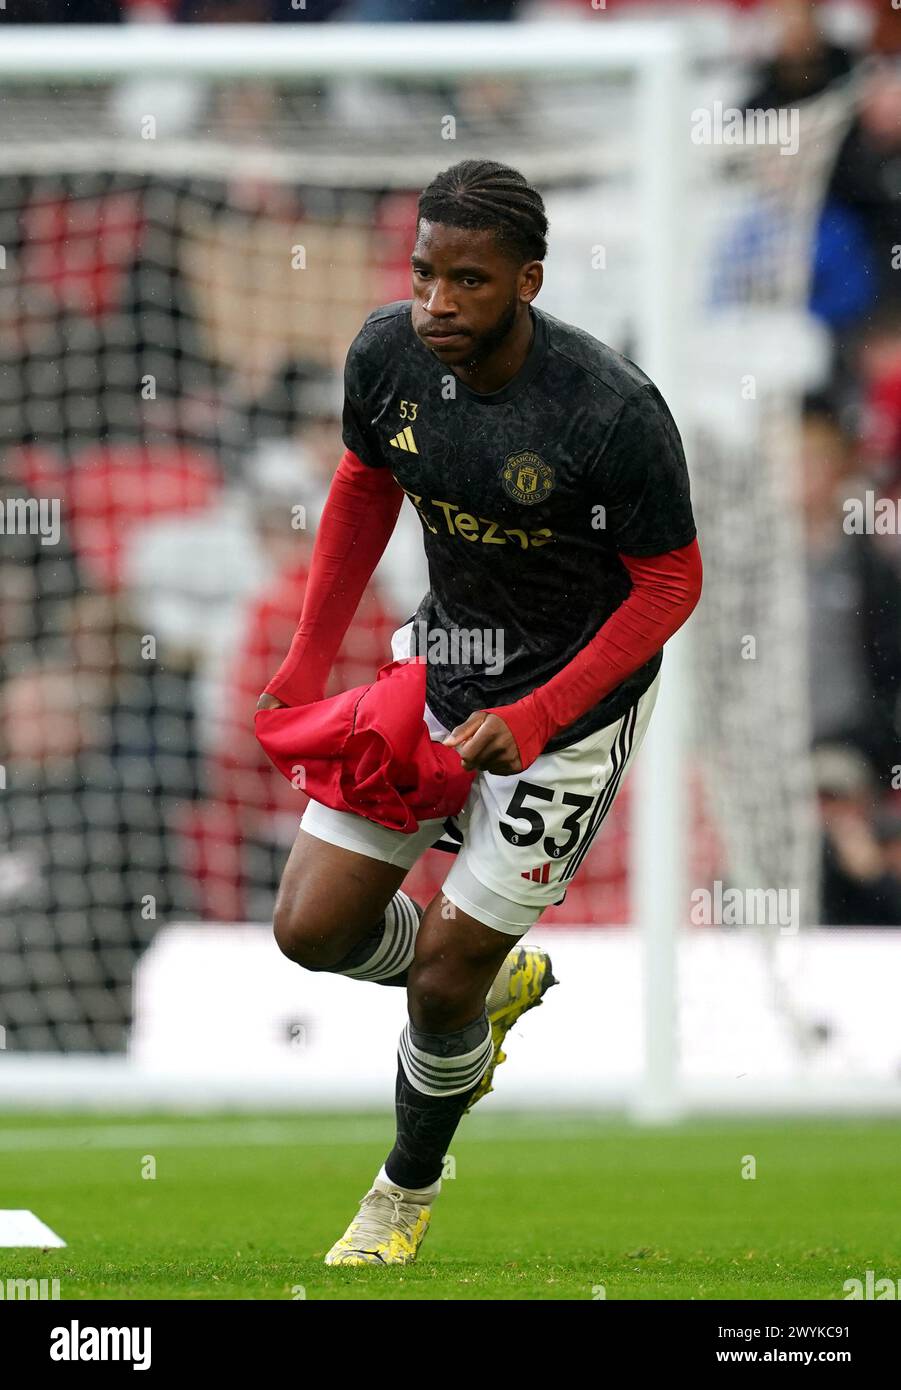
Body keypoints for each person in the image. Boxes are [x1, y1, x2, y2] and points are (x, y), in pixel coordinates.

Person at [258, 160, 703, 1265]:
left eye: (468, 281)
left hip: (573, 713)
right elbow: (365, 483)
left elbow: (670, 585)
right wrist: (306, 659)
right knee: (309, 930)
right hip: (441, 671)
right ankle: (482, 985)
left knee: (440, 977)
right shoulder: (387, 354)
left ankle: (401, 1196)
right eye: (424, 274)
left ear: (528, 282)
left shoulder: (610, 411)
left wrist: (543, 714)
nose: (436, 303)